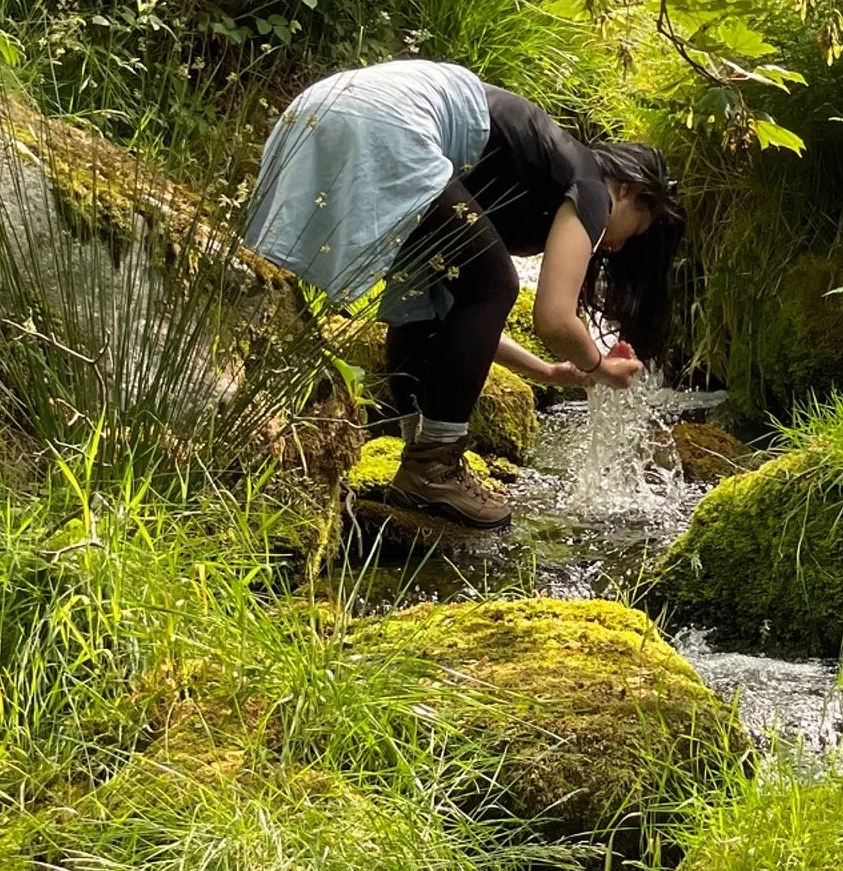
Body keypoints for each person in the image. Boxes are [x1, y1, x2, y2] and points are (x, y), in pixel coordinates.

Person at [243, 58, 684, 528]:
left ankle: (420, 452)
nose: (614, 245)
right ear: (630, 190)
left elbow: (461, 314)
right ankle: (433, 467)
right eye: (634, 232)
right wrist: (598, 367)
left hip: (320, 106)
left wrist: (548, 372)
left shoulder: (519, 170)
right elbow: (552, 319)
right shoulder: (594, 187)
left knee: (421, 302)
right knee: (496, 282)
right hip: (387, 121)